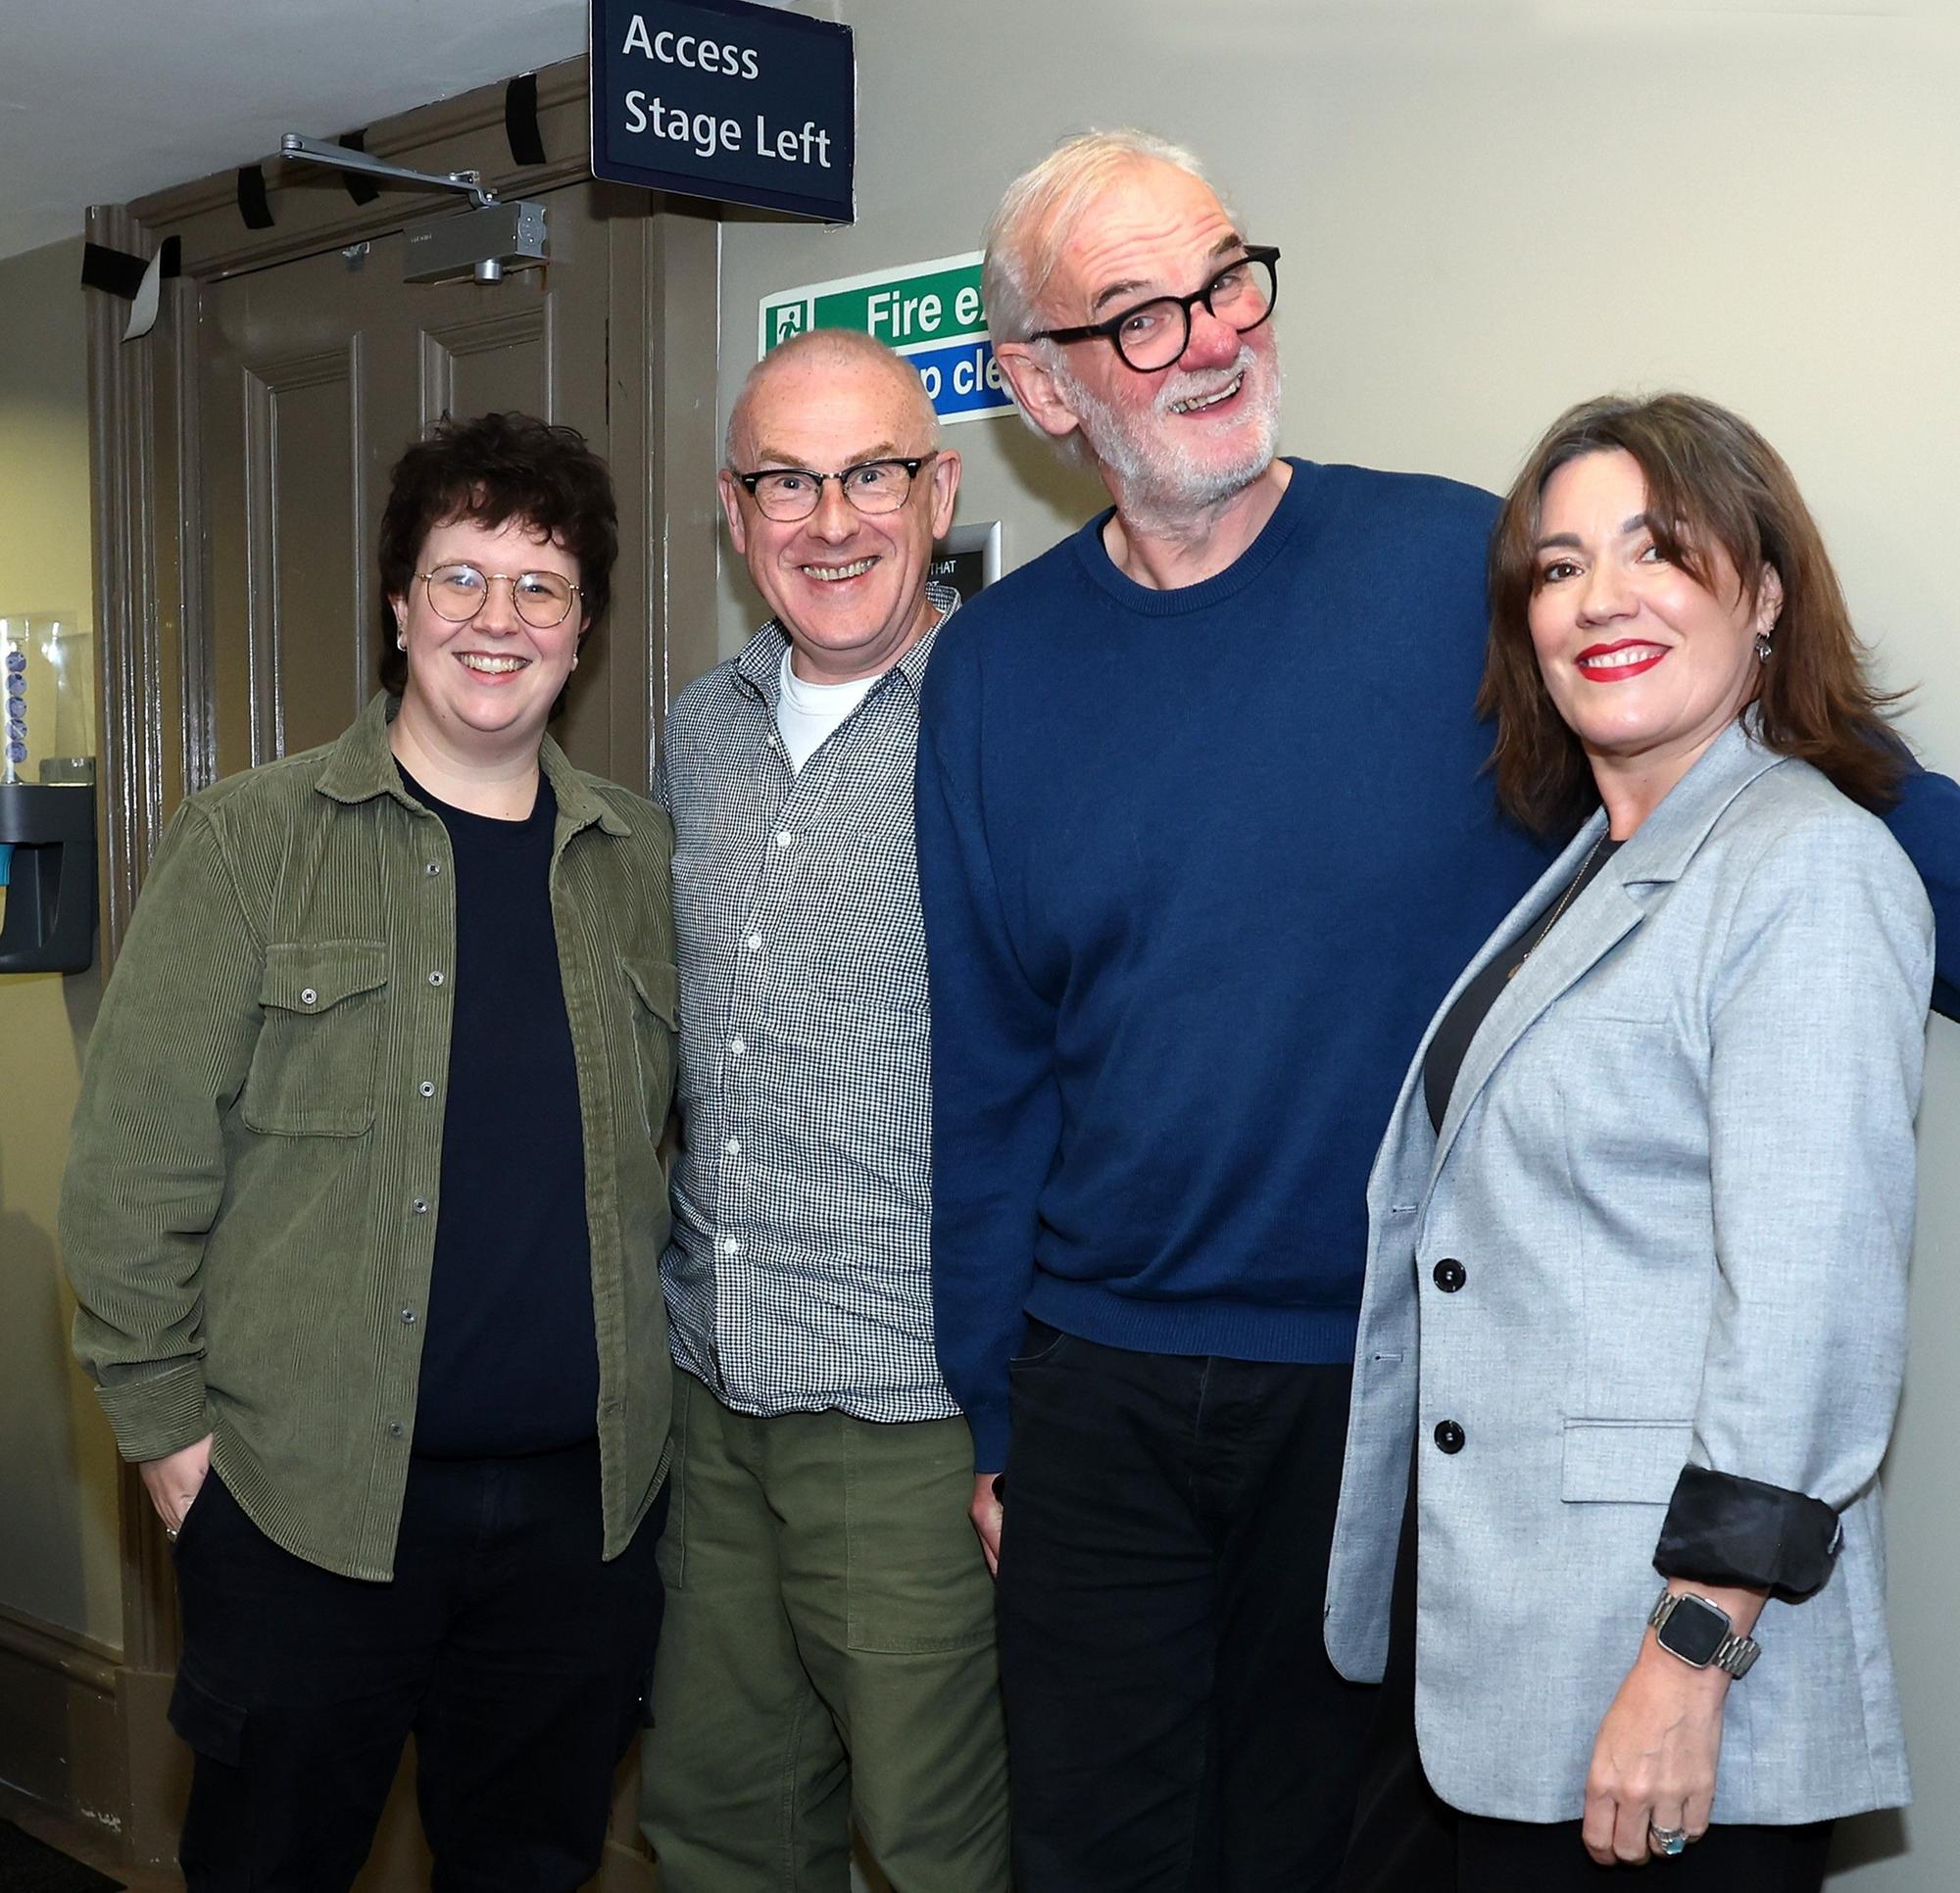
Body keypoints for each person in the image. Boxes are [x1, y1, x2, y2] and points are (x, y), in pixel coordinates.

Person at [912, 130, 1960, 1893]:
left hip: (1391, 1397)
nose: (1216, 336)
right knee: (1090, 1850)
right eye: (1143, 316)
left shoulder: (1458, 570)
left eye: (1229, 278)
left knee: (1340, 1858)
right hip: (1098, 1393)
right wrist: (998, 1417)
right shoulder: (995, 673)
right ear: (1039, 383)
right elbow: (991, 1070)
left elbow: (1786, 782)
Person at [61, 412, 678, 1892]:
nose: (497, 621)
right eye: (460, 578)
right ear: (398, 606)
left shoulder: (640, 862)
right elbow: (131, 1176)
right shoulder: (249, 842)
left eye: (541, 587)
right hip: (300, 1511)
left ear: (583, 630)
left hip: (576, 1530)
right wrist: (172, 1450)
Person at [1326, 392, 1931, 1889]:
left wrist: (1687, 1656)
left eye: (1659, 551)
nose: (1601, 599)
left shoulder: (1809, 869)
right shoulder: (1595, 871)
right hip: (1512, 1648)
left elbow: (1810, 1316)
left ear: (1767, 590)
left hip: (1657, 1682)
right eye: (1558, 565)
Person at [638, 328, 1009, 1892]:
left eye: (870, 476)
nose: (831, 521)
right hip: (709, 1389)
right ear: (735, 514)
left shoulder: (1009, 712)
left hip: (910, 1413)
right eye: (788, 482)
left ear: (939, 493)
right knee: (719, 1824)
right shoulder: (694, 730)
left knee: (934, 1844)